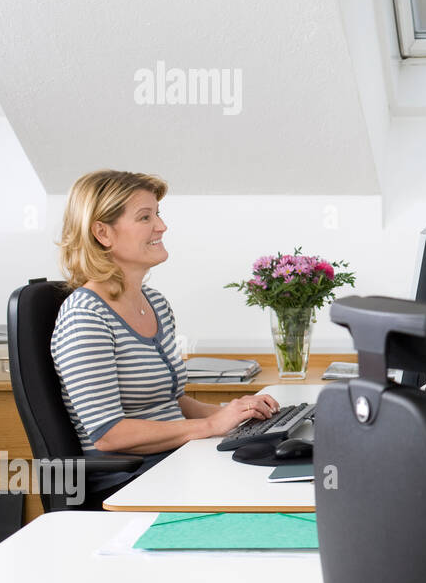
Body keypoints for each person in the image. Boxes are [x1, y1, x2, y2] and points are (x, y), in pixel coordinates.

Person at [51, 170, 278, 492]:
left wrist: (235, 414)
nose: (161, 226)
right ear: (102, 232)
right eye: (145, 217)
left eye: (158, 214)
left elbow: (172, 402)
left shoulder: (154, 303)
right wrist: (211, 425)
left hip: (175, 459)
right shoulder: (85, 317)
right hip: (131, 477)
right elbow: (108, 434)